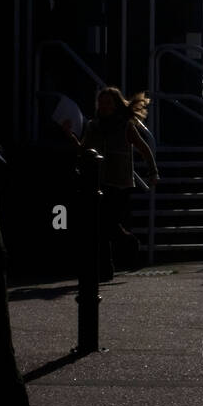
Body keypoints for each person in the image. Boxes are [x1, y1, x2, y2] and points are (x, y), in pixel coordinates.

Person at [65, 87, 159, 281]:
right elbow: (84, 150)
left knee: (107, 223)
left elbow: (144, 148)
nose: (104, 106)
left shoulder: (125, 125)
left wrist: (152, 171)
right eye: (102, 102)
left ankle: (128, 242)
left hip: (121, 183)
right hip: (98, 182)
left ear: (116, 105)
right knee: (102, 225)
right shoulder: (93, 126)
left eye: (109, 103)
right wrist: (70, 135)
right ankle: (106, 269)